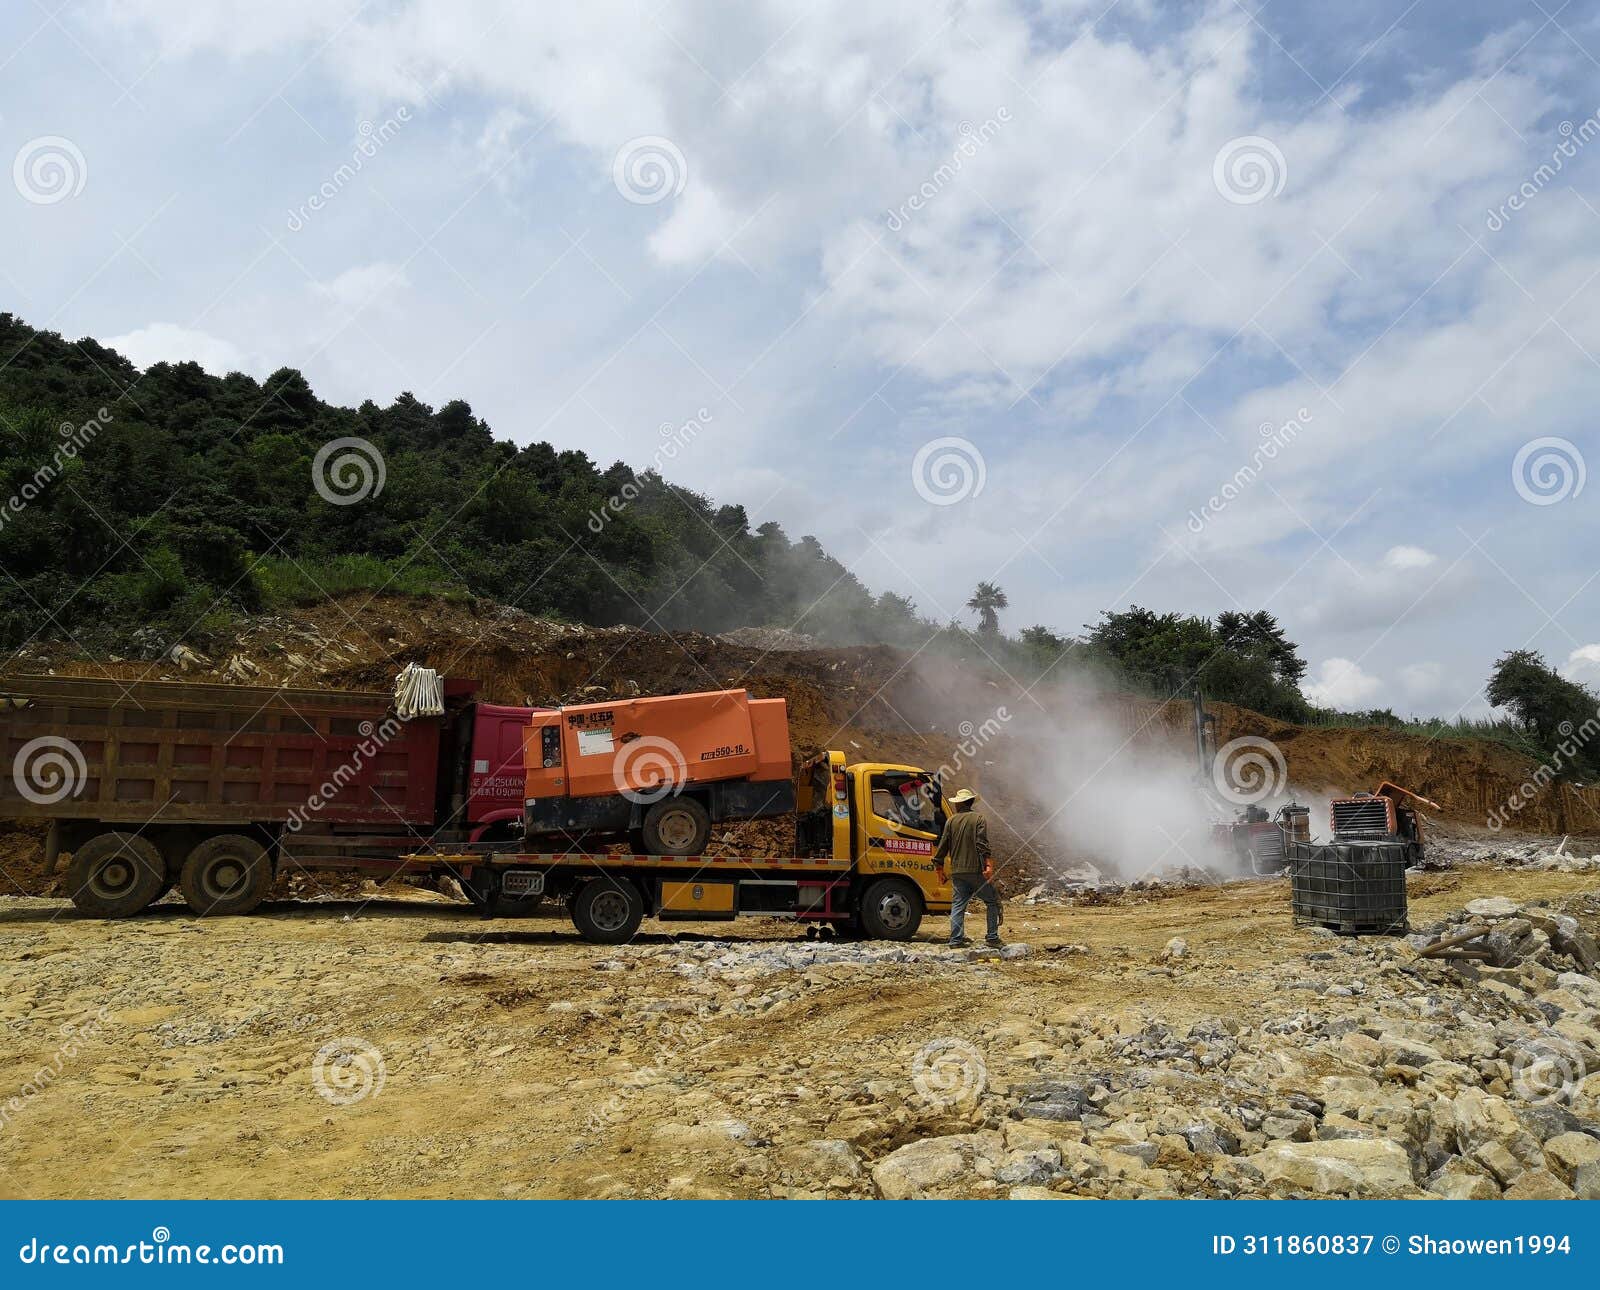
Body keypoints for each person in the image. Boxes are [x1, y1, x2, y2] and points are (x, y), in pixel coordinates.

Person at [932, 787, 1003, 949]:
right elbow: (982, 844)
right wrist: (988, 865)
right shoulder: (979, 819)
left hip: (958, 871)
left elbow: (943, 846)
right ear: (970, 803)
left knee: (958, 905)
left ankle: (956, 940)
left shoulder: (951, 821)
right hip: (975, 870)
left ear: (959, 804)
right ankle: (992, 937)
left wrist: (939, 866)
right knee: (992, 901)